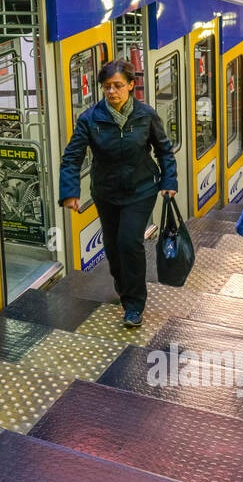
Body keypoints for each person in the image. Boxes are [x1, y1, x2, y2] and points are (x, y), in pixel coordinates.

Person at [60, 59, 178, 327]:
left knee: (129, 242)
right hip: (106, 192)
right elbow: (72, 157)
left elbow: (163, 150)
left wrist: (169, 180)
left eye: (117, 86)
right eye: (106, 87)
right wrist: (70, 191)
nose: (112, 92)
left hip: (141, 189)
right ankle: (124, 287)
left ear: (131, 85)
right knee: (113, 247)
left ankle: (134, 304)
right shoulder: (91, 119)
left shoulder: (146, 115)